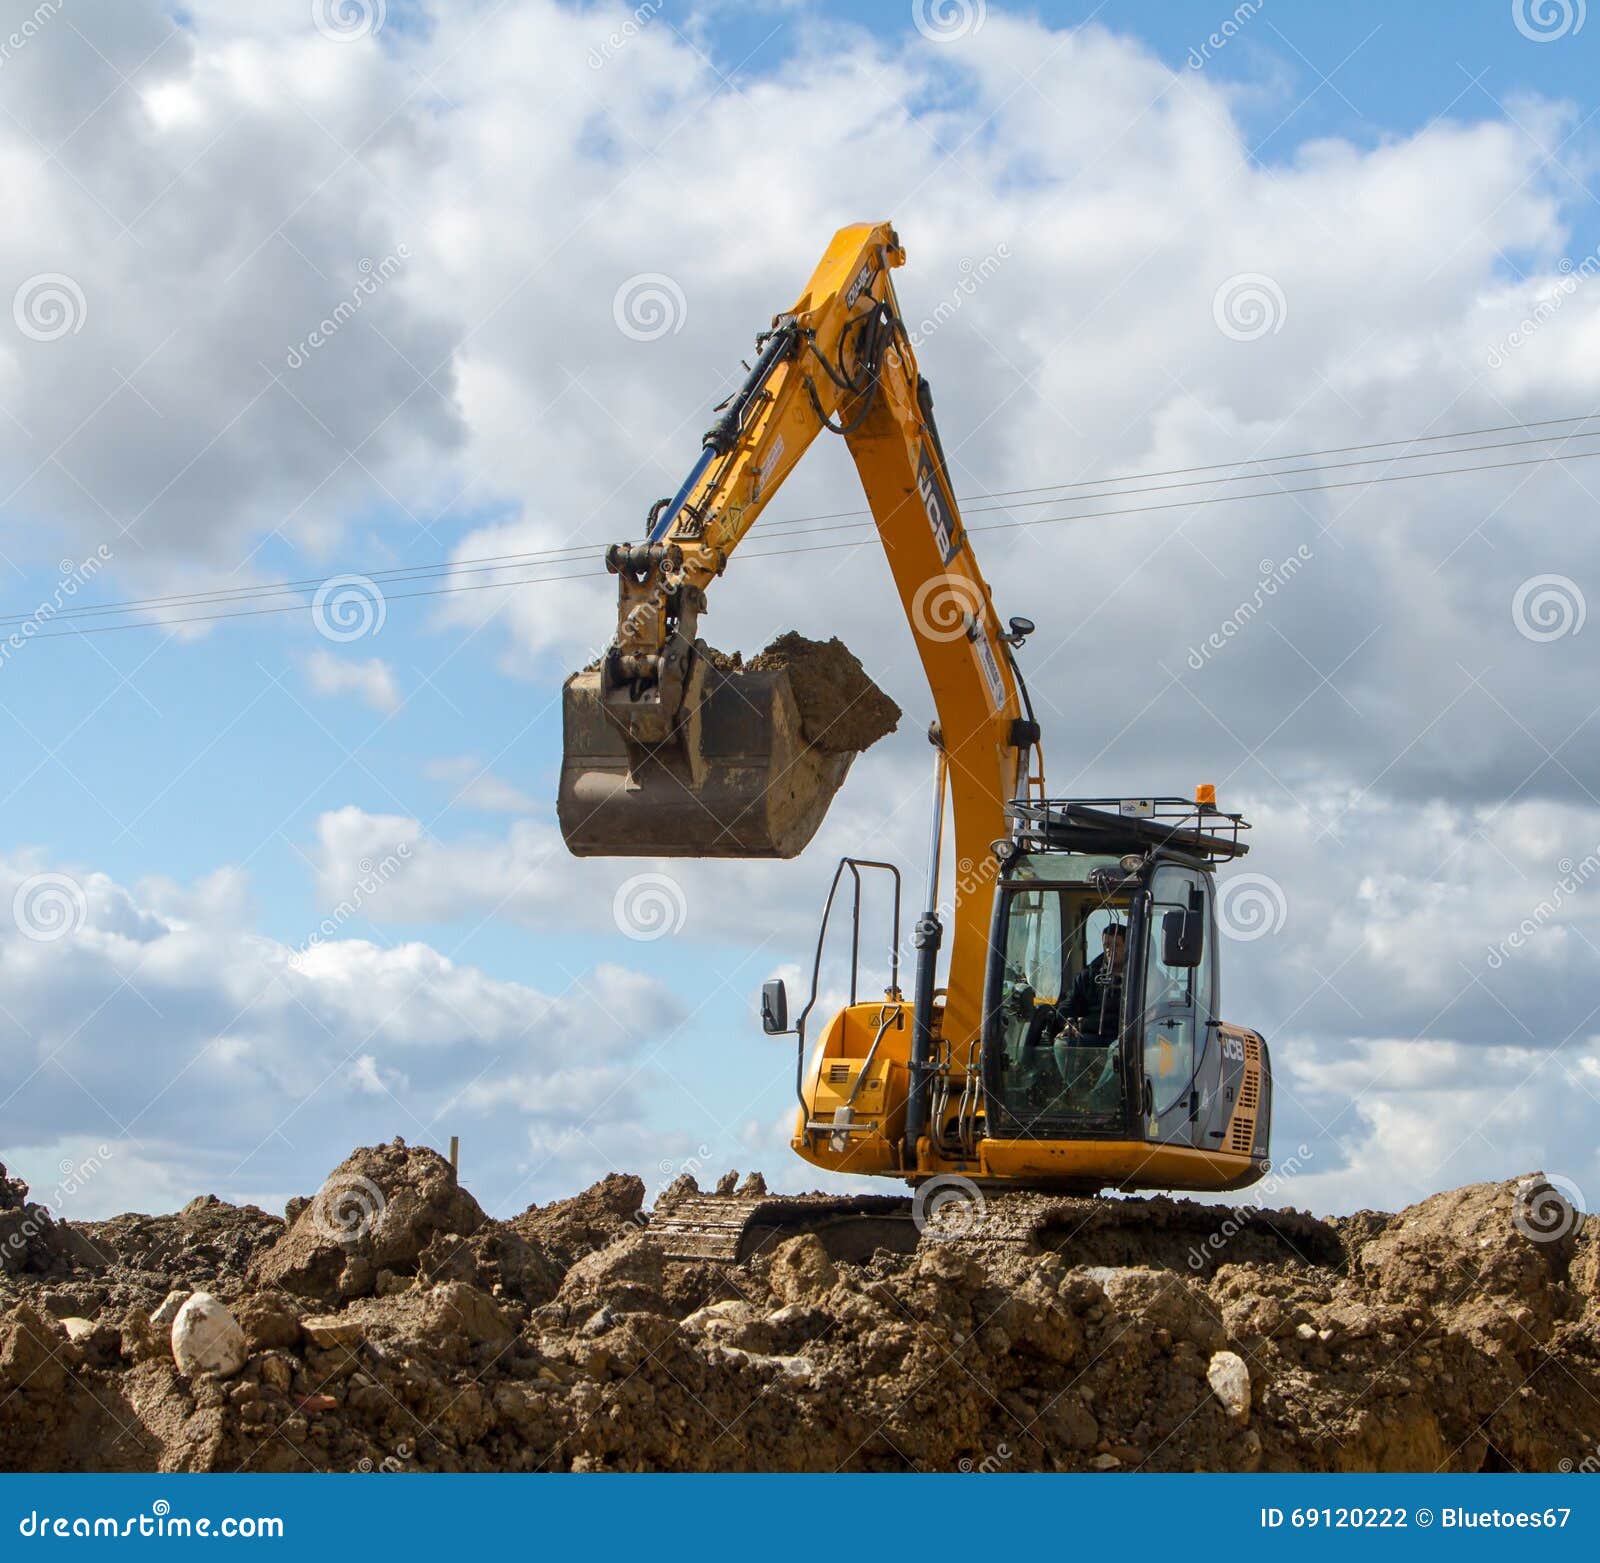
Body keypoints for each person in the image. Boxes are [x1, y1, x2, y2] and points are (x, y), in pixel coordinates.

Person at [1061, 923, 1127, 1041]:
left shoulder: (1144, 978)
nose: (1109, 950)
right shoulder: (1088, 976)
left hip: (1127, 1038)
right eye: (1106, 945)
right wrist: (1069, 1023)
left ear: (1127, 947)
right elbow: (1068, 1006)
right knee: (1063, 1044)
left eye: (1115, 945)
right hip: (1090, 1036)